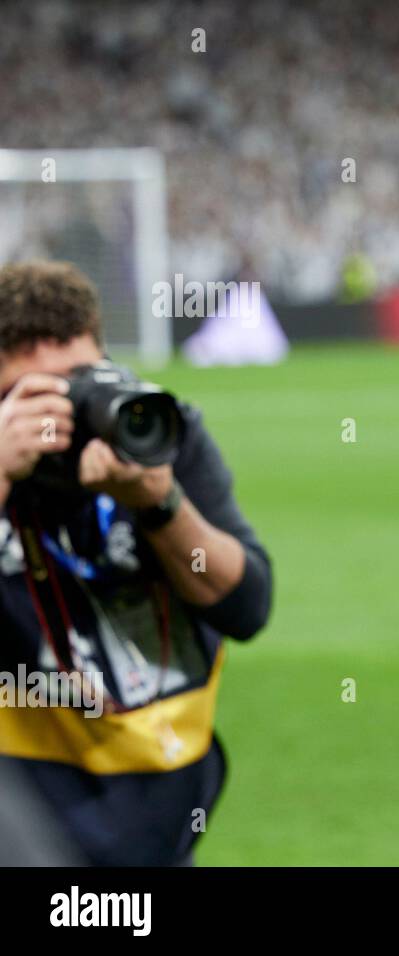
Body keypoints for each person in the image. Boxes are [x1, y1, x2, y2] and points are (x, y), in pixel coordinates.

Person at [0, 260, 273, 865]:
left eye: (77, 384)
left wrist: (157, 502)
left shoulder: (152, 432)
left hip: (155, 814)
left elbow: (247, 606)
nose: (59, 415)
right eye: (30, 394)